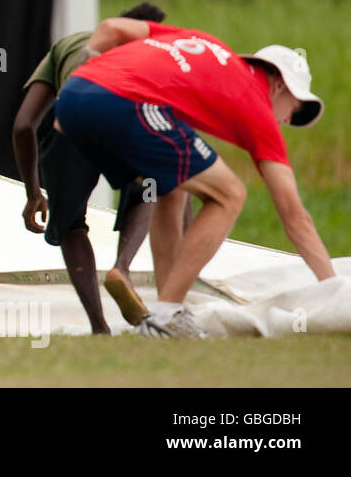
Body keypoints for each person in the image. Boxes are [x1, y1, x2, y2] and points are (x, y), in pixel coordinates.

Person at [54, 18, 335, 338]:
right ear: (279, 85)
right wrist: (334, 290)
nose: (287, 119)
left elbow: (109, 28)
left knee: (173, 188)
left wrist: (73, 95)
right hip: (124, 101)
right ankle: (166, 315)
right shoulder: (255, 103)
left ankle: (167, 312)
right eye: (294, 108)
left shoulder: (201, 43)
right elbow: (295, 218)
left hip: (73, 95)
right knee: (230, 195)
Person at [12, 3, 191, 334]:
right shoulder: (155, 55)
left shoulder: (69, 45)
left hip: (70, 124)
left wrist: (33, 192)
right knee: (147, 188)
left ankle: (98, 326)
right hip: (126, 118)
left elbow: (24, 126)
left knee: (70, 226)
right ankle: (121, 269)